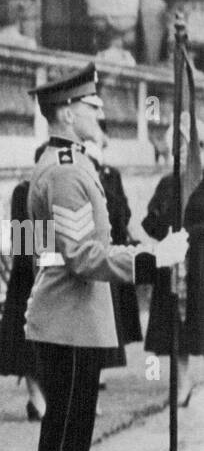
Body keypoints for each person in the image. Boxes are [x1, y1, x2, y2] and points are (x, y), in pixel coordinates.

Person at [23, 64, 188, 451]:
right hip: (68, 321)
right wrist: (152, 260)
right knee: (68, 436)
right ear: (69, 112)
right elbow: (84, 257)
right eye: (93, 106)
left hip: (68, 318)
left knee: (67, 435)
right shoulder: (68, 171)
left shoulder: (66, 163)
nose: (100, 113)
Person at [141, 115, 204, 405]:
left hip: (199, 261)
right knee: (177, 328)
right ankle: (182, 382)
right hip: (173, 262)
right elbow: (150, 221)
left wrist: (187, 233)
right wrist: (161, 232)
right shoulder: (167, 184)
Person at [0, 144, 48, 420]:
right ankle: (35, 398)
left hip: (52, 275)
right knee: (26, 342)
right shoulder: (23, 192)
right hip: (29, 276)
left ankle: (42, 398)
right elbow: (22, 240)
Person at [84, 127, 142, 374]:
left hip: (113, 247)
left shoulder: (111, 175)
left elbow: (123, 211)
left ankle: (104, 364)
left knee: (113, 313)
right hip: (94, 250)